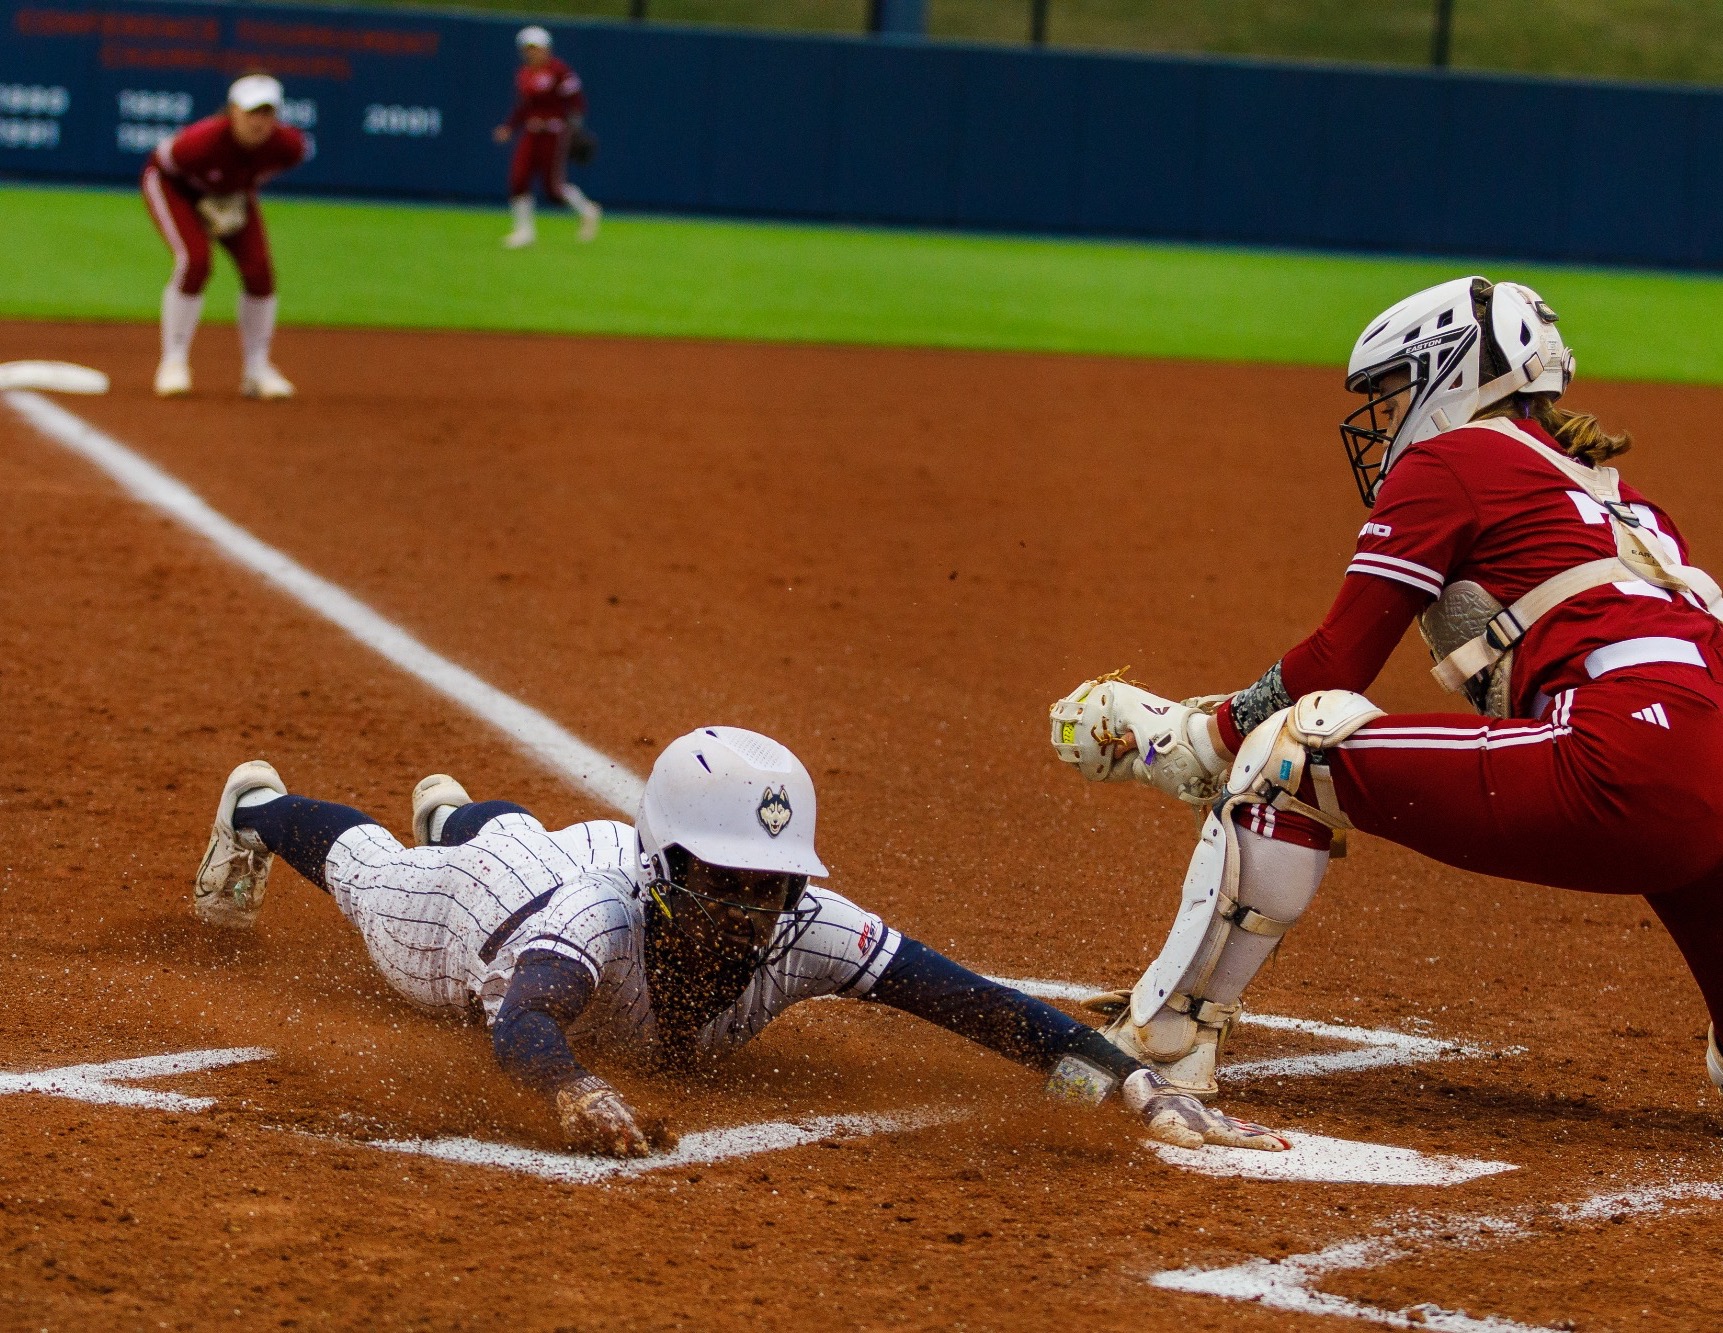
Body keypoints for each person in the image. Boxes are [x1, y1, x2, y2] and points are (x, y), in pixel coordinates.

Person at [1050, 276, 1723, 1103]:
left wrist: (1200, 737)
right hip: (1698, 767)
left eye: (1398, 384)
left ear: (1457, 373)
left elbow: (1337, 660)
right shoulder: (1632, 510)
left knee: (1293, 750)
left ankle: (1166, 1038)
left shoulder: (1454, 457)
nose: (1387, 409)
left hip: (1623, 757)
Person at [194, 726, 1286, 1156]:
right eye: (726, 880)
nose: (750, 906)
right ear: (669, 867)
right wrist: (571, 1087)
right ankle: (256, 808)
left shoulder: (804, 922)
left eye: (770, 884)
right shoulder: (599, 919)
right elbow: (525, 1015)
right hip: (492, 904)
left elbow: (972, 1002)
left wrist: (1132, 1085)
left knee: (520, 827)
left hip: (561, 852)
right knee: (379, 873)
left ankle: (462, 808)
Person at [141, 74, 305, 400]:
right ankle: (173, 363)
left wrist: (230, 195)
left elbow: (255, 172)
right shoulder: (200, 142)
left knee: (259, 271)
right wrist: (203, 203)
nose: (259, 122)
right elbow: (160, 167)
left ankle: (257, 369)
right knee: (195, 260)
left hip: (230, 195)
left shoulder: (289, 145)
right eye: (251, 112)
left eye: (267, 113)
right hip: (177, 189)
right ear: (232, 111)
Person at [493, 26, 601, 249]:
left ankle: (587, 210)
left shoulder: (559, 71)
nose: (531, 53)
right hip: (531, 132)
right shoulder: (523, 74)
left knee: (553, 189)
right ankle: (524, 231)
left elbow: (577, 103)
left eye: (536, 48)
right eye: (527, 49)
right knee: (518, 179)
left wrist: (575, 129)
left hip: (554, 132)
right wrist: (509, 127)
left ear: (546, 48)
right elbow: (523, 107)